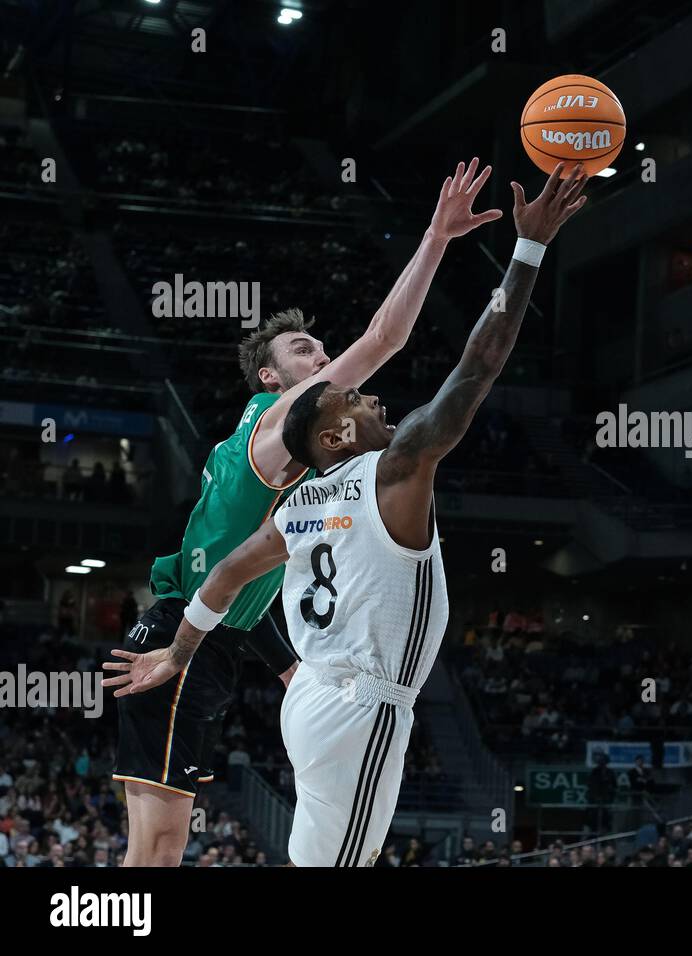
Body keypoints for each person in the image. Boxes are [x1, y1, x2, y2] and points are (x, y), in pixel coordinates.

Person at [104, 164, 588, 866]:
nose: (331, 362)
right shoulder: (278, 428)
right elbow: (393, 340)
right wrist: (440, 237)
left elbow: (239, 575)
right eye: (307, 353)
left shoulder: (293, 486)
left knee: (169, 841)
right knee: (156, 844)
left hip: (229, 649)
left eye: (326, 353)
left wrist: (277, 666)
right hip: (221, 650)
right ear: (272, 381)